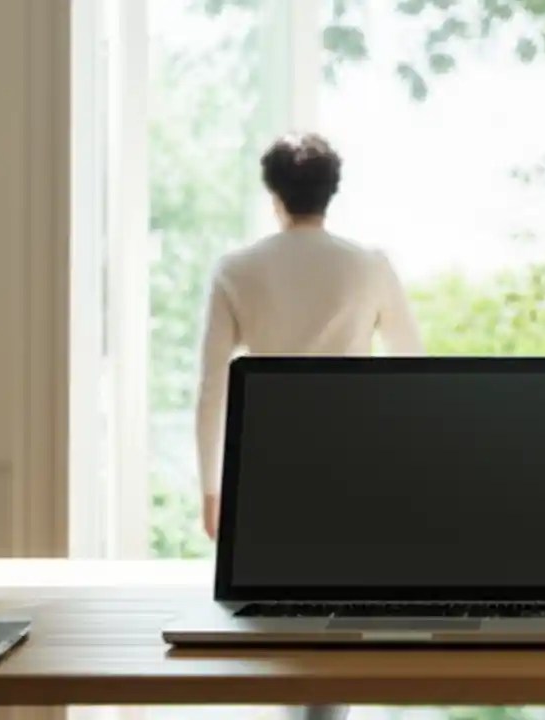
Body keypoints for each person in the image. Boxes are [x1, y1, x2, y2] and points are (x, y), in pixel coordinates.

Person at [194, 133, 423, 720]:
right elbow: (413, 373)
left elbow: (211, 389)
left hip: (267, 475)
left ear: (274, 194)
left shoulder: (236, 269)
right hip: (357, 470)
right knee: (336, 631)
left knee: (279, 629)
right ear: (332, 192)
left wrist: (212, 488)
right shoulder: (369, 266)